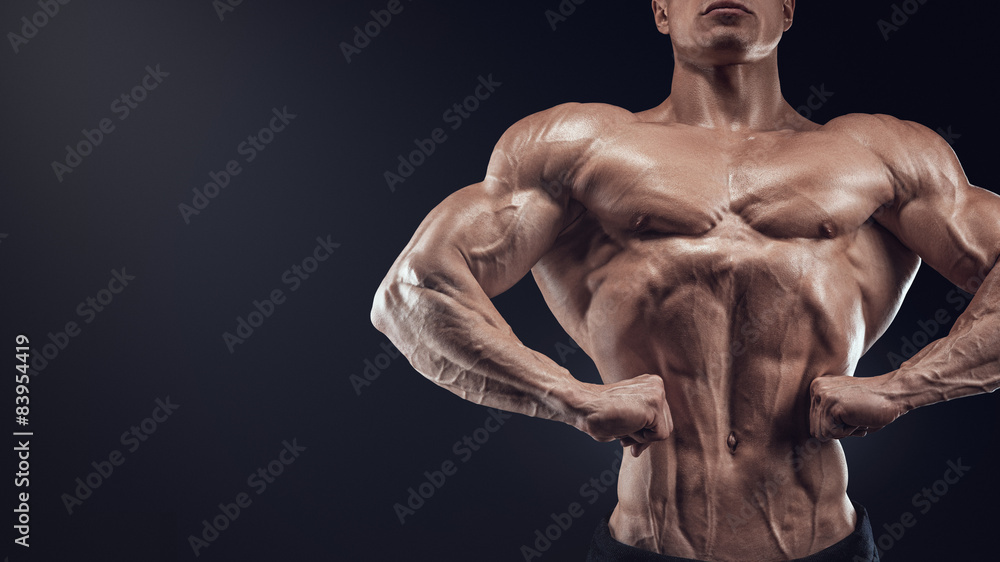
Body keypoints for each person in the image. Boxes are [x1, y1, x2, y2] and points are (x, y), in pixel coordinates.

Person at [370, 1, 1000, 560]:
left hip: (824, 543)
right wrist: (570, 397)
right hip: (645, 543)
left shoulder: (882, 155)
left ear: (787, 9)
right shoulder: (575, 146)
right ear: (660, 11)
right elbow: (413, 292)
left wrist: (904, 390)